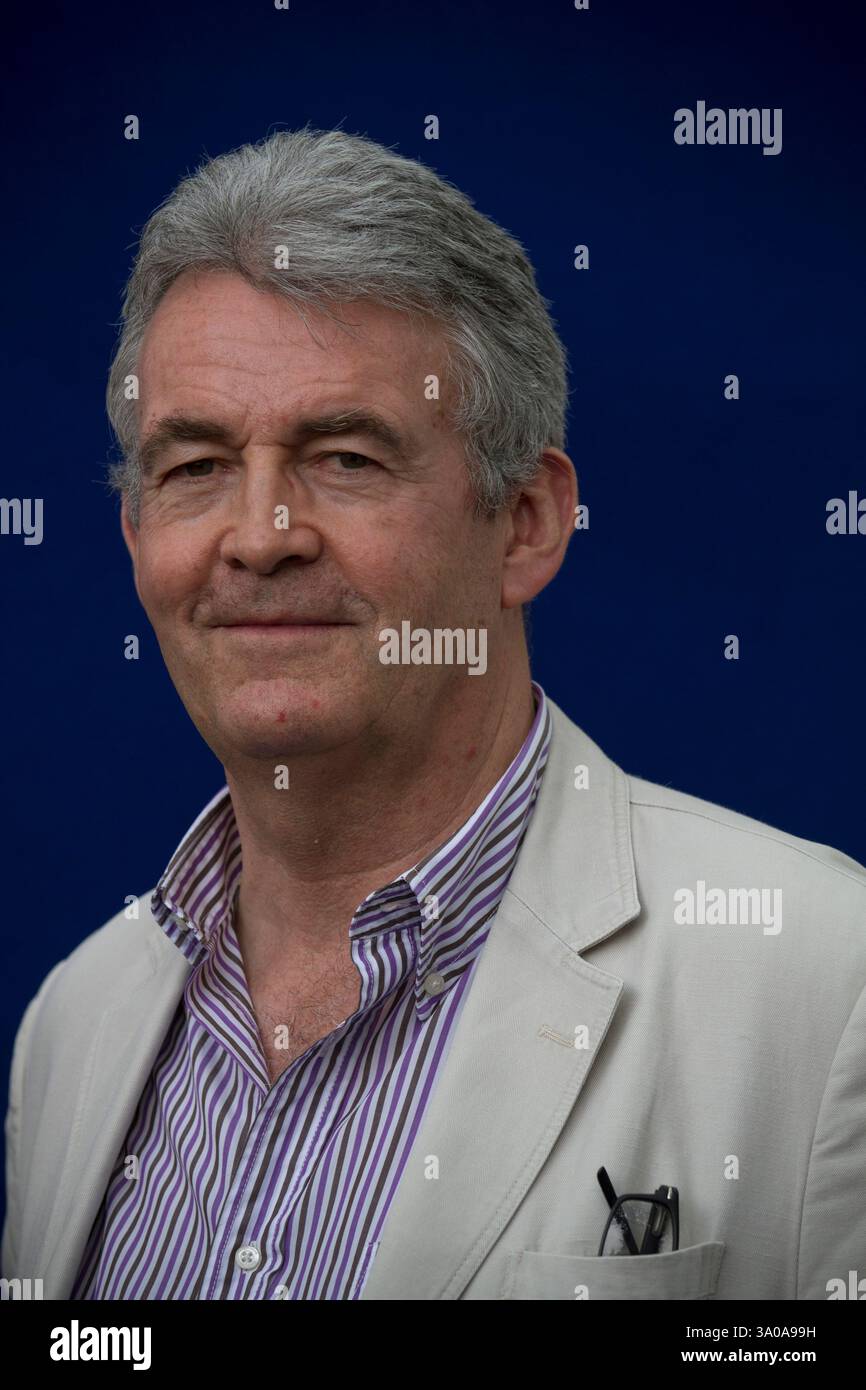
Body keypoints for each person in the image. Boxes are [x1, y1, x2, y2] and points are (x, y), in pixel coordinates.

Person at [3, 127, 864, 1301]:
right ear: (135, 538)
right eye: (195, 466)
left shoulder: (822, 979)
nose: (259, 537)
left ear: (524, 523)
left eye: (345, 457)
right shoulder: (75, 1023)